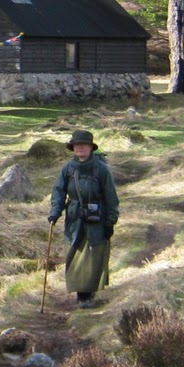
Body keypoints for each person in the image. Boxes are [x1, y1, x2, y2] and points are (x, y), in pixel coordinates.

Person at [48, 128, 120, 309]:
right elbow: (59, 192)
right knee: (75, 253)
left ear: (90, 147)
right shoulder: (68, 169)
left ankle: (88, 294)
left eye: (83, 145)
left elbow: (111, 197)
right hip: (74, 218)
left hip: (97, 218)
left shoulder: (102, 169)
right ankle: (81, 292)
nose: (79, 148)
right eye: (76, 145)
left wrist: (110, 221)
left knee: (94, 254)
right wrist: (55, 212)